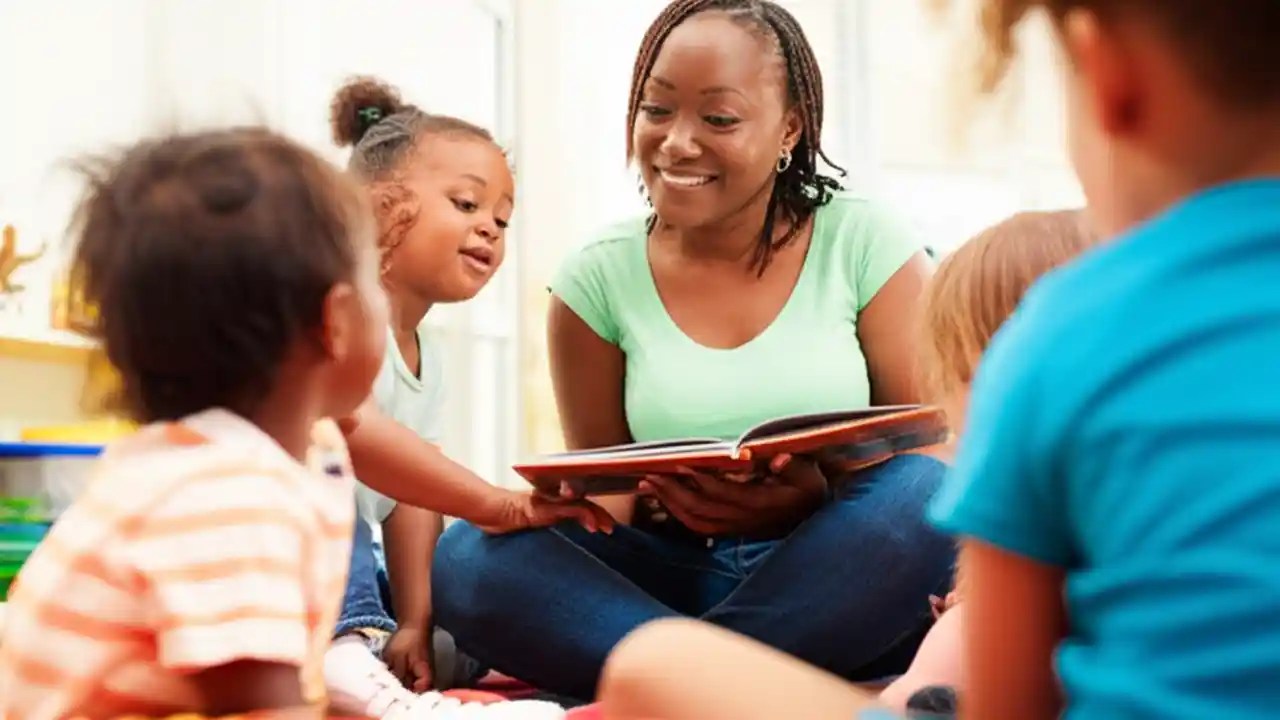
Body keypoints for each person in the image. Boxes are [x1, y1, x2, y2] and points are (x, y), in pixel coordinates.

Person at [433, 0, 955, 699]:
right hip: (676, 574)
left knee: (926, 494)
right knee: (470, 557)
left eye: (719, 118)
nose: (677, 143)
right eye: (657, 110)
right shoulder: (596, 277)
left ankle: (686, 686)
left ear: (790, 129)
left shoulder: (867, 243)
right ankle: (752, 690)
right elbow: (610, 503)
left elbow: (933, 449)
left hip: (835, 572)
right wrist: (608, 502)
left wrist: (812, 497)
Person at [589, 209, 1101, 720]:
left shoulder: (1026, 548)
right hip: (768, 600)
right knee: (654, 660)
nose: (955, 411)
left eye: (962, 377)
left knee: (655, 665)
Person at [0, 127, 387, 719]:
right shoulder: (228, 492)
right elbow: (260, 709)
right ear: (334, 321)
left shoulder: (228, 466)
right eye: (374, 281)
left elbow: (264, 690)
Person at [319, 77, 568, 720]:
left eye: (501, 220)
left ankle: (368, 650)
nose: (489, 228)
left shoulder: (428, 356)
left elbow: (411, 498)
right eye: (466, 204)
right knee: (325, 490)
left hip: (349, 578)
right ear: (375, 208)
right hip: (278, 554)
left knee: (466, 616)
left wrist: (416, 621)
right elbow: (354, 432)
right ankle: (344, 656)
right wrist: (495, 503)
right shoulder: (331, 316)